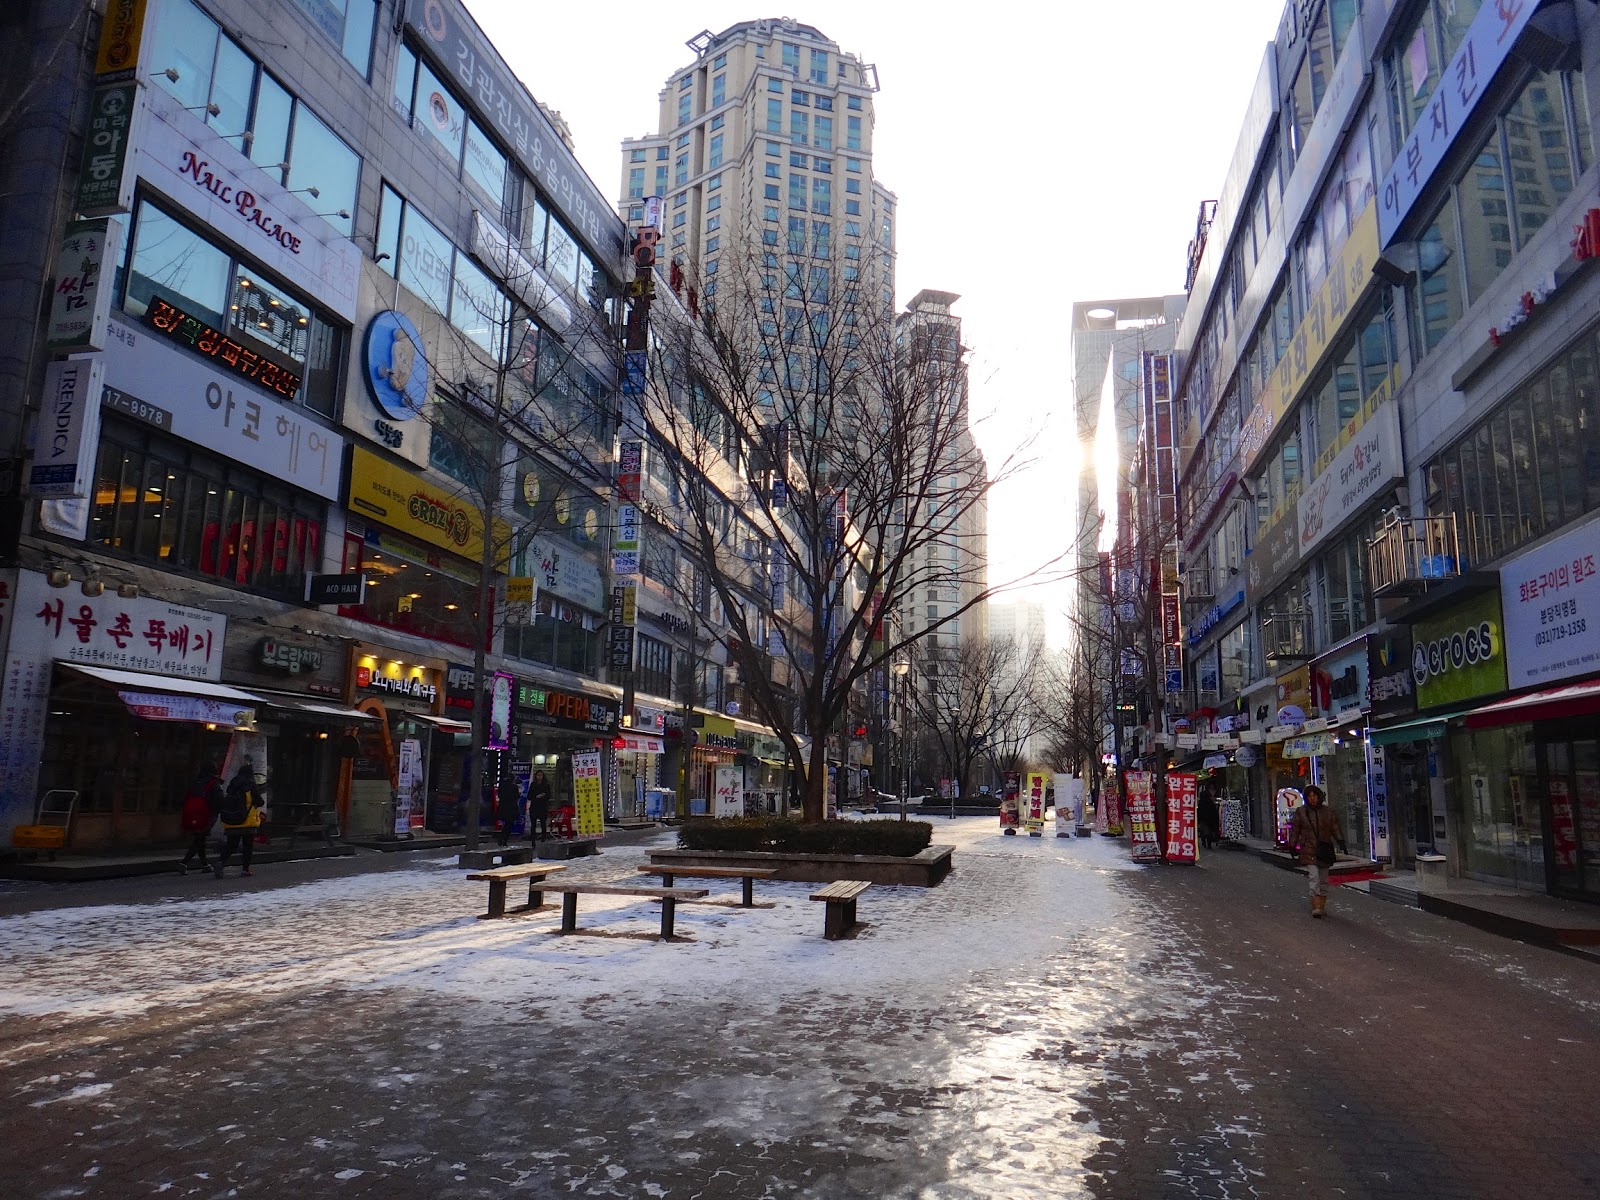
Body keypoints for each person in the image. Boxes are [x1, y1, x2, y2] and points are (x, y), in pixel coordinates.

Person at [1289, 784, 1346, 917]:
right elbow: (1295, 830)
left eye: (1314, 795)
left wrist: (1341, 841)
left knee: (1323, 880)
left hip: (1324, 850)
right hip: (1308, 849)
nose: (1312, 798)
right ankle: (1316, 907)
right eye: (1309, 796)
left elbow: (1335, 827)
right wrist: (1292, 845)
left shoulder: (1328, 811)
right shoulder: (1301, 812)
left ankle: (1322, 905)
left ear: (1319, 796)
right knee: (1314, 878)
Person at [214, 762, 262, 879]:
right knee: (247, 846)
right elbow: (260, 802)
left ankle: (221, 861)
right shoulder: (250, 785)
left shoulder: (232, 785)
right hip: (248, 821)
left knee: (231, 845)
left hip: (232, 820)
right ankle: (245, 869)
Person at [178, 762, 224, 875]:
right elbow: (220, 799)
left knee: (200, 839)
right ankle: (184, 862)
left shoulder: (195, 782)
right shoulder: (213, 783)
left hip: (192, 814)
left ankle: (205, 864)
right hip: (208, 814)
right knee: (200, 838)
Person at [495, 764, 521, 848]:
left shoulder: (502, 785)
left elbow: (499, 795)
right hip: (512, 808)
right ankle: (504, 839)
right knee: (509, 824)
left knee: (505, 823)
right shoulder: (514, 786)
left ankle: (502, 837)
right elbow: (517, 796)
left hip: (503, 807)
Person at [527, 770, 552, 842]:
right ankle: (533, 838)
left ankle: (543, 837)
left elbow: (548, 796)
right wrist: (536, 796)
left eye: (541, 775)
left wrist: (543, 796)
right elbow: (529, 796)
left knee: (543, 823)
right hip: (534, 806)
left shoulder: (546, 785)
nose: (539, 777)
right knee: (533, 823)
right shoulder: (533, 784)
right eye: (538, 775)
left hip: (543, 806)